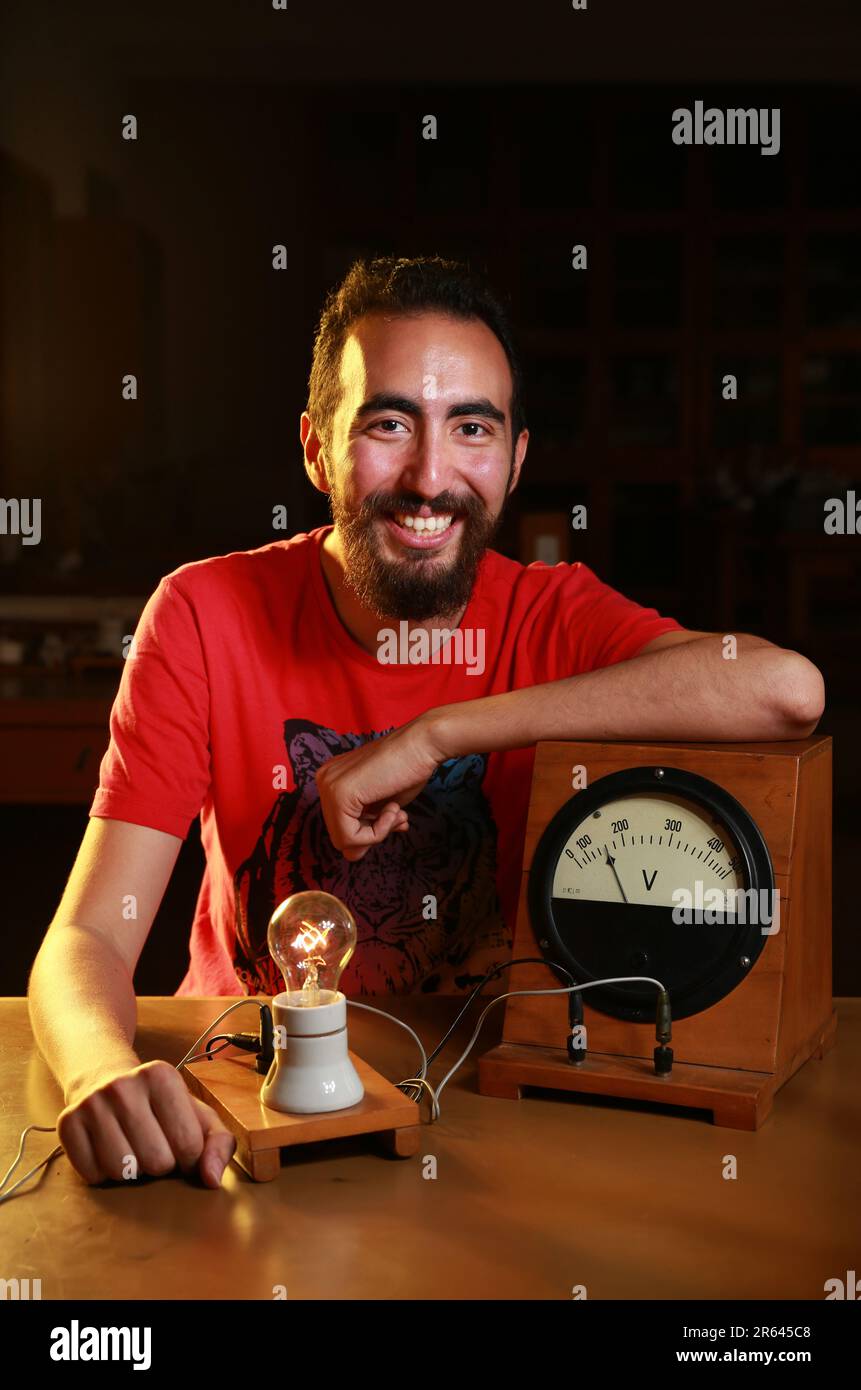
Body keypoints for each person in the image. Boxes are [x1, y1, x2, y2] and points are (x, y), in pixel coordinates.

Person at [28, 255, 825, 1189]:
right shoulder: (204, 611)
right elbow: (88, 938)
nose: (429, 476)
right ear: (316, 447)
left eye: (472, 427)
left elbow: (784, 689)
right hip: (238, 1111)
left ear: (516, 460)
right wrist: (101, 1070)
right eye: (389, 422)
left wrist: (438, 733)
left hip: (485, 1106)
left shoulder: (552, 612)